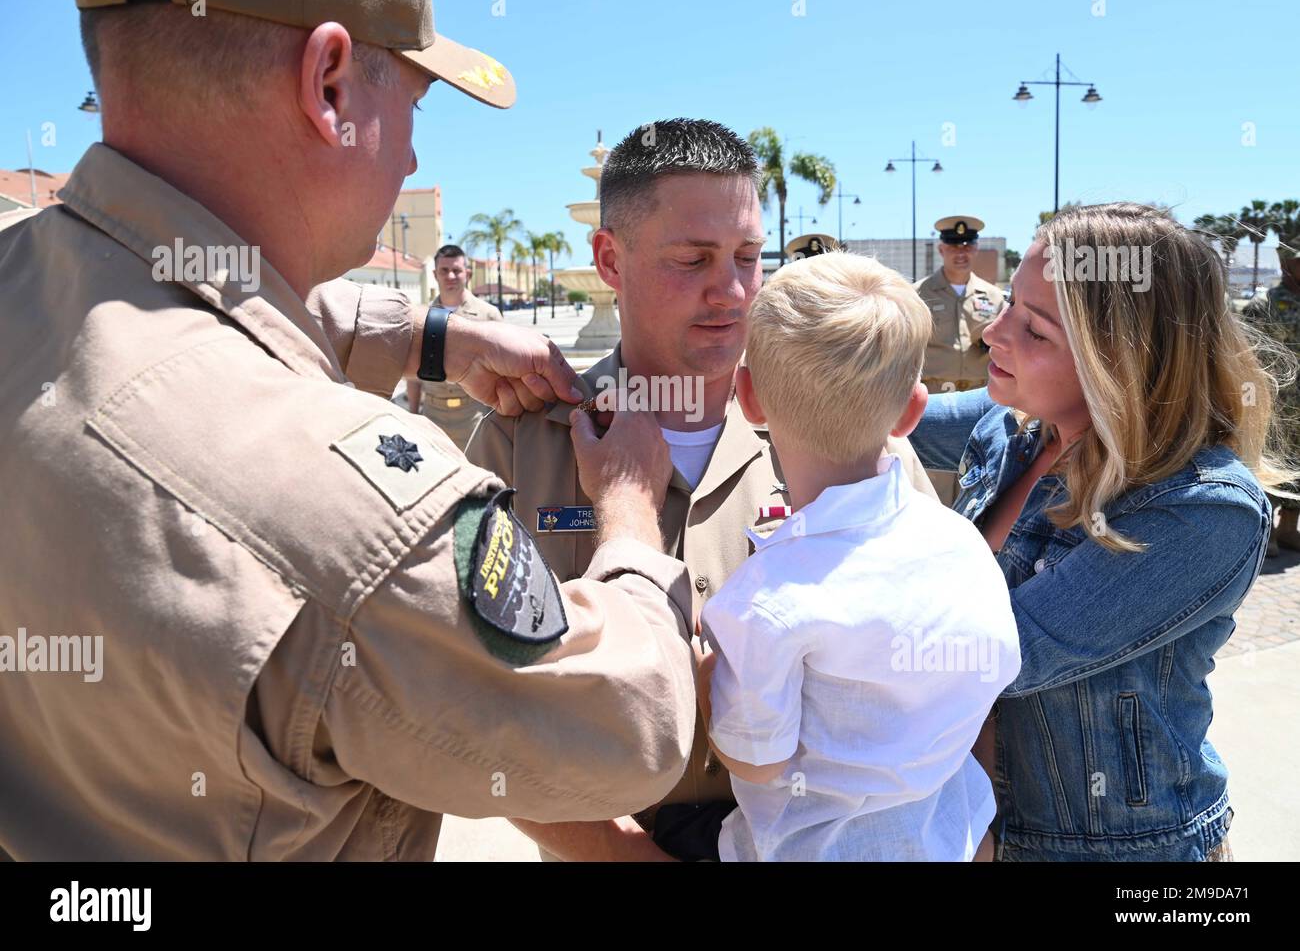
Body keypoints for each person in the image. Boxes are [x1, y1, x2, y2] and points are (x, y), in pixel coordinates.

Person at [0, 0, 701, 861]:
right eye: (412, 103)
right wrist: (630, 520)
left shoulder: (25, 281)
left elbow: (180, 292)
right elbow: (629, 721)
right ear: (330, 84)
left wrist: (430, 336)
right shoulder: (355, 519)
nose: (411, 158)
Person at [466, 118, 939, 860]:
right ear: (609, 259)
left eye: (749, 257)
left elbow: (941, 659)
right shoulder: (521, 446)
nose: (732, 291)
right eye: (693, 259)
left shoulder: (850, 433)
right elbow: (477, 710)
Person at [908, 202, 1285, 861]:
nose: (992, 333)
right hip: (979, 829)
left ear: (1121, 362)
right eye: (1008, 307)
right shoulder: (1016, 424)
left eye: (1034, 328)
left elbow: (993, 659)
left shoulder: (1203, 510)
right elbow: (870, 405)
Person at [695, 253, 1021, 862]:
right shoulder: (963, 546)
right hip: (952, 839)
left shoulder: (762, 600)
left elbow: (755, 762)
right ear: (912, 412)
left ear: (748, 399)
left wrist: (706, 678)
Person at [917, 216, 1007, 505]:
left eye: (968, 246)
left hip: (980, 407)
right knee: (932, 489)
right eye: (954, 247)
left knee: (979, 486)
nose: (961, 253)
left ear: (976, 250)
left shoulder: (994, 298)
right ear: (941, 249)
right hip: (933, 407)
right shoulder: (918, 295)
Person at [405, 244, 504, 451]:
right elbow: (413, 376)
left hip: (475, 414)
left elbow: (503, 372)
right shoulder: (420, 318)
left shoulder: (489, 315)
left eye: (457, 270)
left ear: (467, 273)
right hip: (433, 415)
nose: (450, 275)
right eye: (444, 270)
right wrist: (413, 415)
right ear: (434, 274)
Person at [1240, 258, 1300, 554]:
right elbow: (1246, 351)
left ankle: (1289, 527)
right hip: (1274, 405)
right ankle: (1266, 534)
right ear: (1289, 266)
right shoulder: (1264, 303)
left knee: (1298, 467)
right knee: (1269, 461)